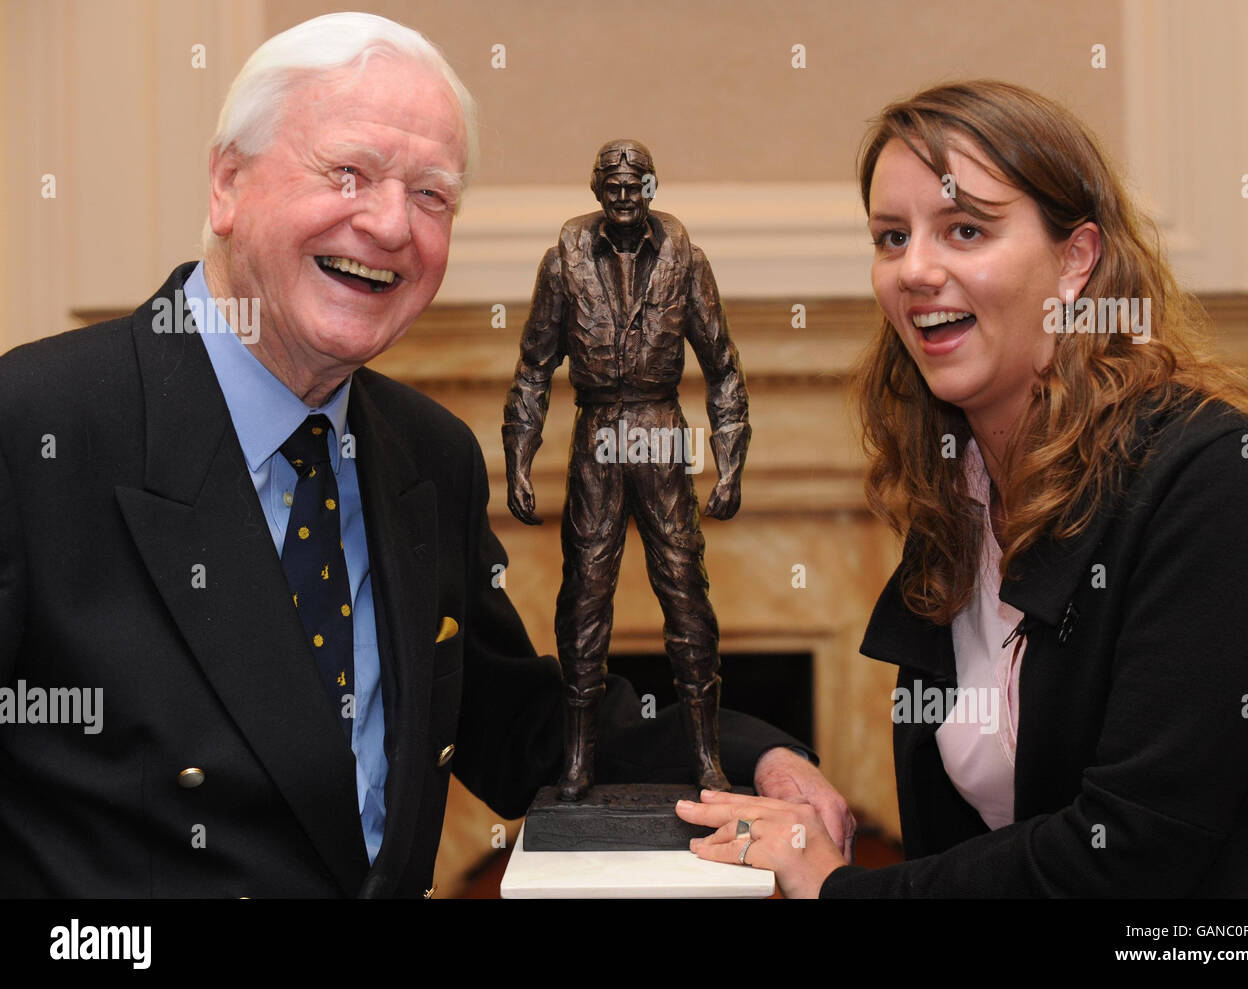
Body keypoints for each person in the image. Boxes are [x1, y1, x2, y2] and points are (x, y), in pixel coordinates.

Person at [0, 12, 852, 897]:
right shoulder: (35, 430)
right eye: (348, 172)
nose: (390, 224)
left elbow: (515, 721)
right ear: (227, 182)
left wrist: (759, 751)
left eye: (432, 195)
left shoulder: (427, 455)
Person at [678, 79, 1248, 897]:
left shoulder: (1217, 481)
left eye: (965, 229)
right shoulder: (957, 492)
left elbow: (1135, 852)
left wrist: (838, 886)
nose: (916, 270)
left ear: (1077, 259)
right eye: (891, 238)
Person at [503, 139, 750, 800]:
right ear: (595, 191)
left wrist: (729, 465)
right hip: (595, 434)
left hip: (660, 432)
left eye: (632, 188)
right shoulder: (562, 266)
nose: (620, 200)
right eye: (610, 189)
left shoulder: (687, 264)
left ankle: (706, 759)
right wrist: (519, 461)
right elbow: (533, 369)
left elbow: (722, 367)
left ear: (650, 189)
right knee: (584, 594)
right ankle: (578, 761)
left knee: (683, 588)